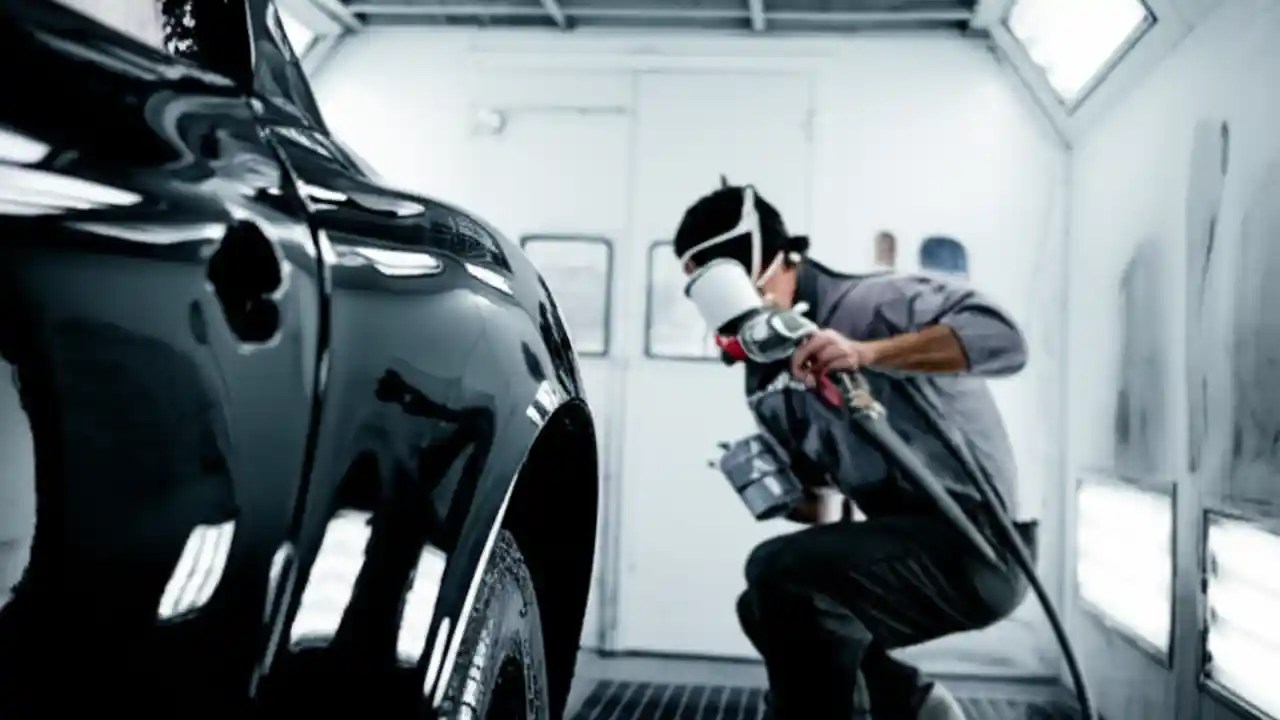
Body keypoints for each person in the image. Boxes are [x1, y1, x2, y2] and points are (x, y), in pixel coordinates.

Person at [673, 184, 1036, 720]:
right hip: (907, 543)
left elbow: (1003, 340)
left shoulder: (874, 305)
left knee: (781, 577)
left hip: (980, 543)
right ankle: (914, 706)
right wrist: (776, 486)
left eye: (716, 281)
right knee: (765, 606)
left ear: (763, 261)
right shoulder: (769, 379)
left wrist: (870, 352)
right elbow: (821, 507)